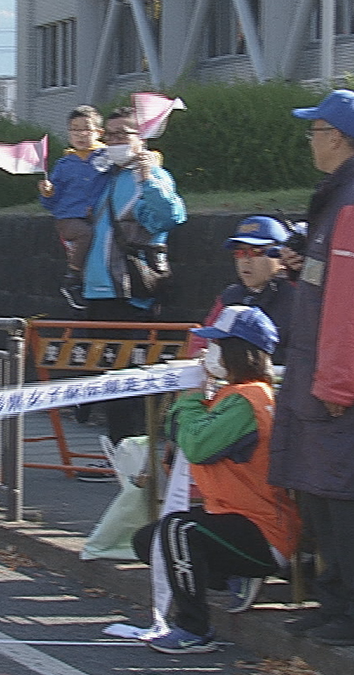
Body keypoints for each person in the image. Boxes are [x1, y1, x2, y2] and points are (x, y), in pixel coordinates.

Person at [133, 305, 300, 654]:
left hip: (264, 529)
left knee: (178, 531)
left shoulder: (248, 400)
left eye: (217, 345)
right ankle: (233, 577)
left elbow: (197, 444)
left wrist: (191, 397)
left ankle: (194, 629)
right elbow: (184, 437)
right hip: (235, 517)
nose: (207, 353)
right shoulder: (234, 395)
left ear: (240, 352)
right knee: (148, 541)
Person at [269, 89, 354, 646]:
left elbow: (348, 304)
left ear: (343, 138)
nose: (311, 140)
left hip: (333, 379)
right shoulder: (334, 198)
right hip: (318, 370)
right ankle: (334, 599)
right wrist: (302, 267)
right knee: (319, 491)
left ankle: (347, 611)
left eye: (317, 130)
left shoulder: (347, 202)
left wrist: (337, 382)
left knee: (339, 494)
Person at [82, 106, 187, 442]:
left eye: (122, 134)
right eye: (108, 135)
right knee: (105, 378)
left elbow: (169, 217)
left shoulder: (152, 175)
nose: (113, 141)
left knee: (129, 381)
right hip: (97, 293)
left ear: (140, 138)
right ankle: (117, 453)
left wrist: (148, 176)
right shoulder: (107, 177)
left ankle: (133, 460)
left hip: (130, 294)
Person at [191, 215, 297, 364]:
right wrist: (201, 355)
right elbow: (203, 340)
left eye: (257, 252)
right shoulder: (231, 295)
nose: (246, 260)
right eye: (239, 253)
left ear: (281, 256)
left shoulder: (300, 295)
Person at [38, 105, 110, 310]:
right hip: (68, 218)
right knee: (85, 235)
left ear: (99, 132)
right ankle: (72, 277)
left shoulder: (106, 157)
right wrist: (48, 192)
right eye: (74, 130)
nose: (80, 135)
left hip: (98, 216)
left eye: (86, 129)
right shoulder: (64, 163)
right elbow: (50, 203)